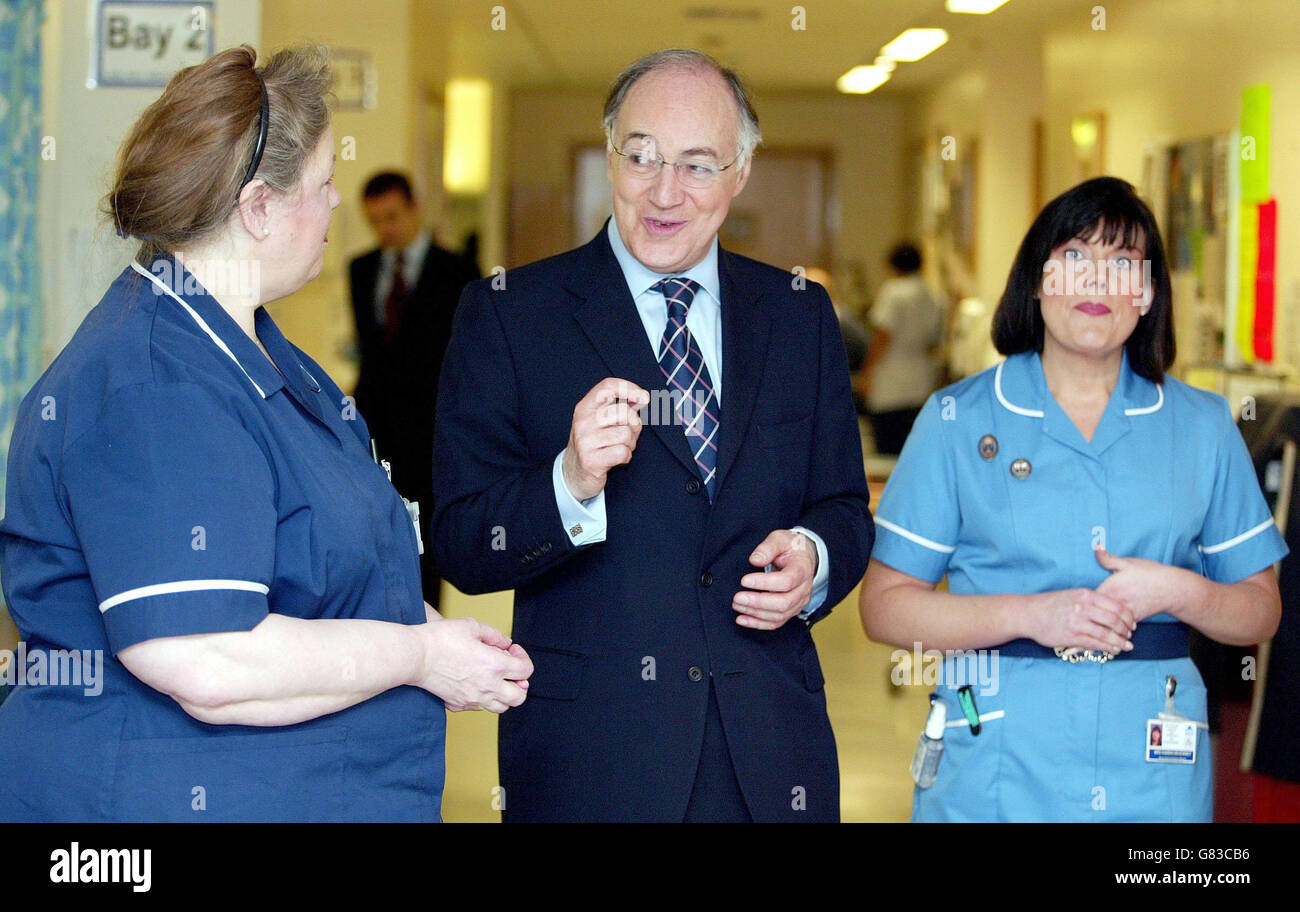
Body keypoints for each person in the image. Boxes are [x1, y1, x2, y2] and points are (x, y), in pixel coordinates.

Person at [0, 45, 531, 823]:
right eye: (321, 185)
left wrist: (427, 629)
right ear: (258, 208)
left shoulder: (254, 351)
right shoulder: (153, 387)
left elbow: (312, 566)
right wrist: (418, 656)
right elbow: (208, 657)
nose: (337, 204)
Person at [432, 48, 873, 822]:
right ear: (610, 154)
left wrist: (815, 558)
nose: (664, 191)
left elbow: (842, 504)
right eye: (641, 157)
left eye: (699, 165)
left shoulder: (798, 315)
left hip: (769, 756)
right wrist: (567, 481)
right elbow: (465, 544)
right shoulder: (509, 314)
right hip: (591, 759)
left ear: (740, 172)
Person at [860, 176, 1286, 822]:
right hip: (994, 762)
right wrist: (1035, 615)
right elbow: (886, 610)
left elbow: (1259, 613)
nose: (1097, 282)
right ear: (1036, 282)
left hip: (1152, 772)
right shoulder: (957, 419)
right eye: (1075, 258)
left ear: (1146, 295)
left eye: (1122, 264)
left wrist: (1176, 590)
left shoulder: (1202, 425)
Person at [348, 173, 480, 610]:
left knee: (426, 540)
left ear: (413, 208)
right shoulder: (362, 270)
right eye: (375, 220)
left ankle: (426, 626)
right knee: (378, 532)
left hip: (431, 428)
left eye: (391, 216)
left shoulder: (457, 271)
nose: (385, 229)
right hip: (376, 427)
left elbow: (469, 356)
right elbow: (371, 353)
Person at [859, 242, 945, 455]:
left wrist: (867, 371)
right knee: (912, 451)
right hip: (920, 381)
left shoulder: (893, 292)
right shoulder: (932, 295)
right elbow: (934, 342)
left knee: (887, 450)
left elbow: (883, 335)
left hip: (890, 382)